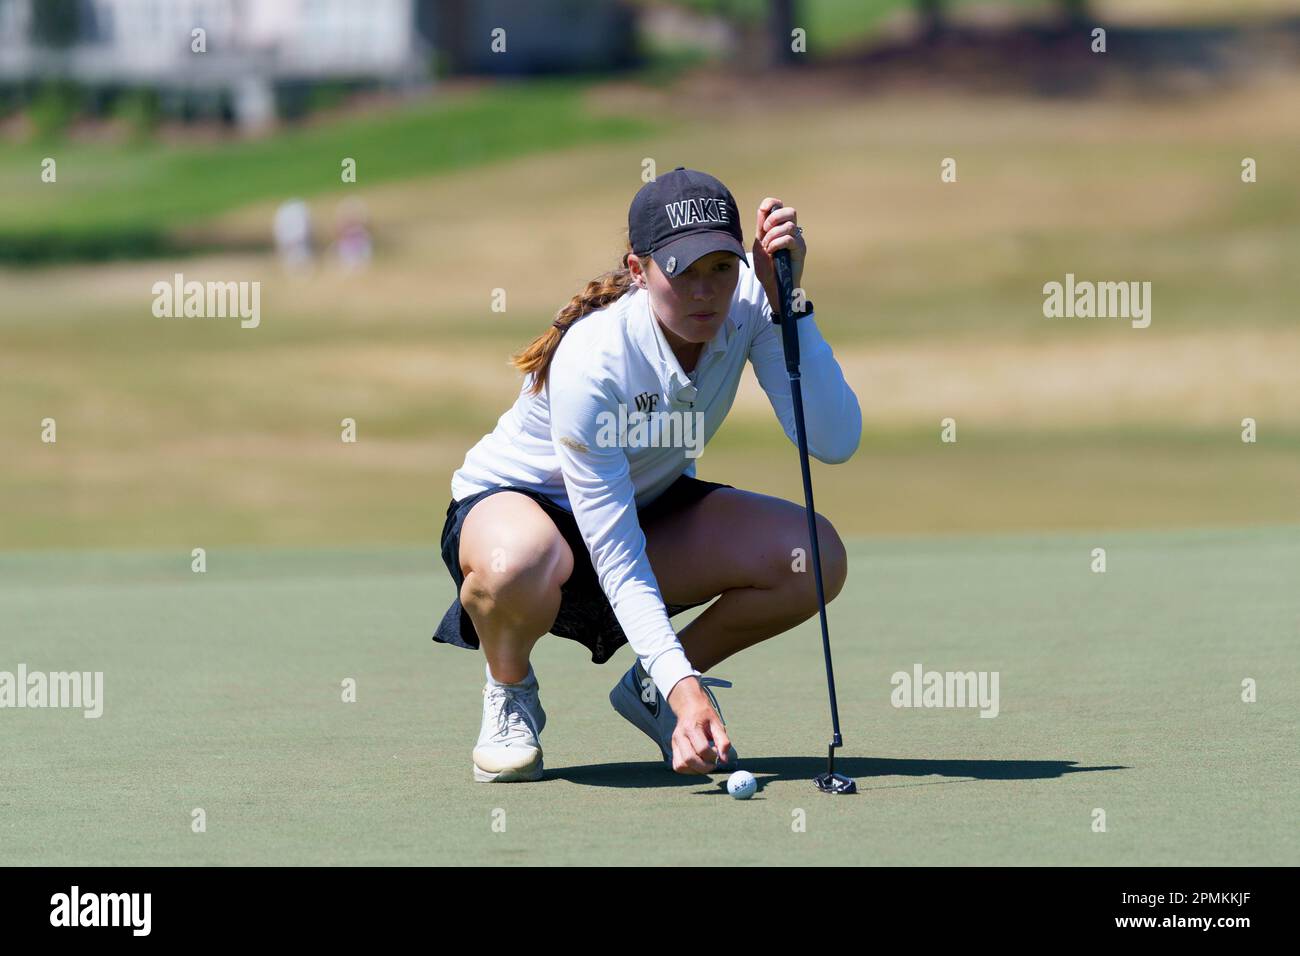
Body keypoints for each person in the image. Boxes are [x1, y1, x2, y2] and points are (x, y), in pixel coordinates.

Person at [433, 167, 861, 782]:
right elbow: (613, 549)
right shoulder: (595, 358)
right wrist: (692, 691)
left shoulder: (749, 304)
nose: (704, 293)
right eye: (681, 271)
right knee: (520, 562)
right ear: (639, 271)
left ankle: (650, 690)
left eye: (720, 268)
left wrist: (785, 302)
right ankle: (510, 691)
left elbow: (833, 439)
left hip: (645, 507)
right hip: (517, 513)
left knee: (813, 556)